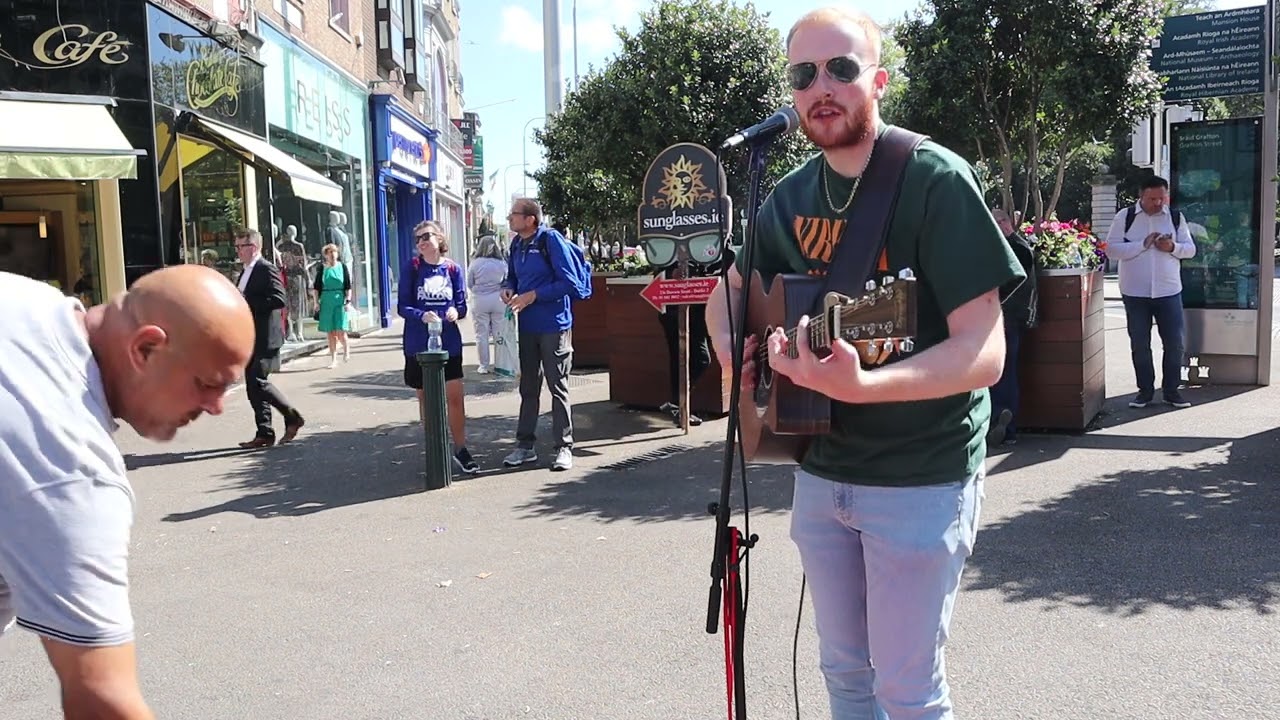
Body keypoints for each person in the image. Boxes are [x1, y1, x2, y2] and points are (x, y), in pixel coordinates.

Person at [704, 8, 1023, 719]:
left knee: (908, 692)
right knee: (844, 674)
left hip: (920, 476)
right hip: (822, 474)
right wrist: (728, 341)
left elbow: (985, 350)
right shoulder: (785, 197)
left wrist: (868, 385)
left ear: (877, 81)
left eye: (842, 69)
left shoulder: (935, 181)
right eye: (803, 73)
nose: (823, 86)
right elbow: (728, 291)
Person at [0, 265, 254, 720]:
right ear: (146, 347)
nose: (216, 408)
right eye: (206, 384)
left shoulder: (24, 298)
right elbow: (102, 700)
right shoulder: (71, 468)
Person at [1104, 175, 1196, 409]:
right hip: (1135, 293)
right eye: (1152, 198)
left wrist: (1172, 247)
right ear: (1141, 196)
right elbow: (1111, 250)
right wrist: (1142, 245)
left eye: (1161, 197)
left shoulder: (1175, 217)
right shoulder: (1125, 217)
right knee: (1140, 344)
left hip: (1168, 291)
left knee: (1175, 343)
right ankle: (1144, 391)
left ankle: (1171, 391)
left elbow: (1191, 249)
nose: (1158, 203)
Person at [500, 198, 577, 472]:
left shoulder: (550, 240)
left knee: (558, 386)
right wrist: (508, 288)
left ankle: (564, 447)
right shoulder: (516, 244)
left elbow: (569, 282)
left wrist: (534, 295)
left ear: (531, 218)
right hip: (527, 326)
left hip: (554, 324)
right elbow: (511, 276)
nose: (509, 218)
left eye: (514, 214)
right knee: (528, 388)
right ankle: (524, 446)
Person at [398, 220, 479, 475]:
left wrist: (457, 310)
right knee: (425, 398)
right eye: (418, 239)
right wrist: (421, 315)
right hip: (418, 344)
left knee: (454, 396)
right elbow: (403, 306)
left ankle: (460, 448)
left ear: (439, 238)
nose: (422, 242)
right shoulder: (412, 268)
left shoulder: (453, 269)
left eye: (427, 236)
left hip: (449, 343)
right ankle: (436, 446)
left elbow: (462, 304)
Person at [234, 228, 306, 448]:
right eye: (237, 246)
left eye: (240, 246)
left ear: (253, 247)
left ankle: (292, 416)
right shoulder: (245, 271)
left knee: (258, 382)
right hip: (249, 336)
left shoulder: (266, 269)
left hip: (266, 336)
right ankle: (264, 432)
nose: (237, 251)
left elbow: (278, 299)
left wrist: (246, 303)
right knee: (252, 386)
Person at [988, 207, 1038, 446]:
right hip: (1014, 319)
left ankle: (1000, 419)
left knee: (1000, 372)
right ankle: (1005, 424)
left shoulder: (1012, 249)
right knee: (1007, 372)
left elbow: (1006, 286)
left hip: (1004, 318)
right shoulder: (1021, 246)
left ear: (1003, 224)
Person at [469, 234, 509, 374]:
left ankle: (483, 365)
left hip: (480, 300)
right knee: (499, 333)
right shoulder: (501, 263)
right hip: (498, 299)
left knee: (481, 334)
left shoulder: (475, 263)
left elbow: (470, 283)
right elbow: (507, 280)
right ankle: (500, 363)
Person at [312, 242, 352, 368]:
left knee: (340, 330)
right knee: (330, 332)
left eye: (335, 252)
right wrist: (316, 303)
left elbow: (347, 286)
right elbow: (316, 288)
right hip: (326, 301)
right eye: (330, 253)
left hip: (339, 300)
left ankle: (346, 350)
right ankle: (334, 359)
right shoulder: (322, 269)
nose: (333, 255)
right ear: (326, 256)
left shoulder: (343, 267)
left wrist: (348, 301)